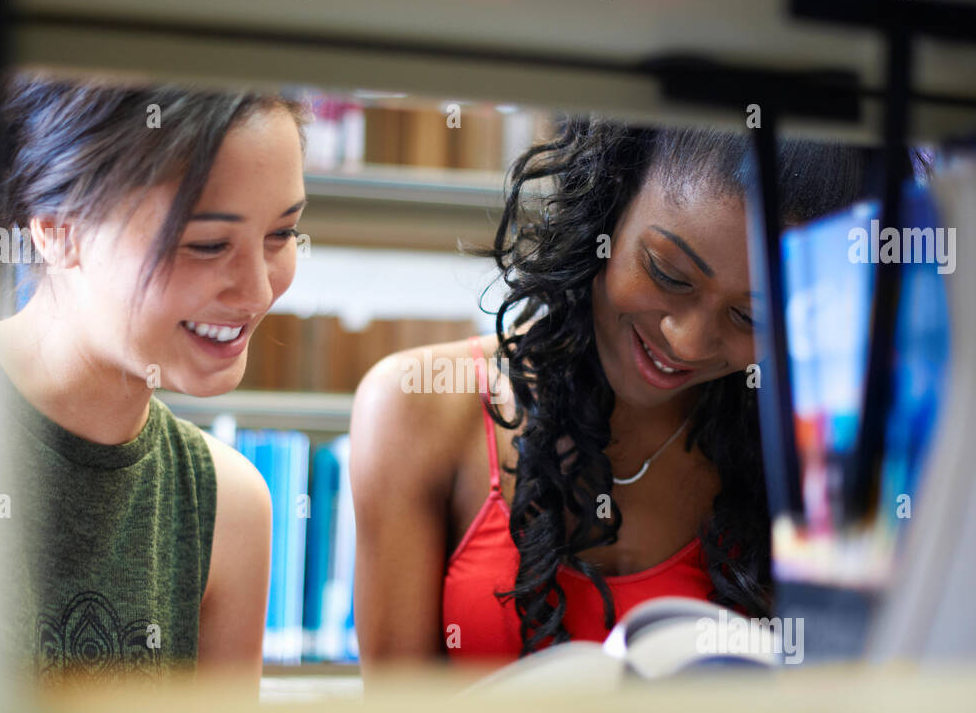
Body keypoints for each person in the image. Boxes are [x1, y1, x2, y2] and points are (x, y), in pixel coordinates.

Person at [350, 119, 868, 671]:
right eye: (668, 274)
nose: (685, 341)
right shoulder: (419, 404)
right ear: (606, 207)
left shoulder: (810, 449)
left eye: (750, 316)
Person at [0, 73, 308, 689]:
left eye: (281, 234)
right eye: (207, 244)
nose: (257, 290)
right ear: (57, 227)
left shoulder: (228, 507)